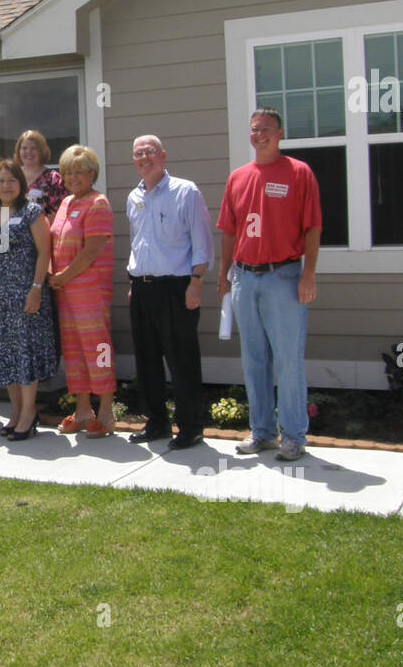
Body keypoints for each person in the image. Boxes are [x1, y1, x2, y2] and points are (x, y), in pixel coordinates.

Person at [216, 109, 321, 462]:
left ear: (280, 134)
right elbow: (229, 230)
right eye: (254, 129)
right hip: (245, 277)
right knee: (254, 358)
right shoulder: (238, 178)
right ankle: (262, 432)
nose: (259, 135)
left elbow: (313, 228)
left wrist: (309, 274)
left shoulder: (299, 173)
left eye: (266, 129)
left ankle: (293, 436)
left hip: (284, 277)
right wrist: (224, 274)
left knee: (288, 360)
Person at [126, 135, 213, 449]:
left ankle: (190, 427)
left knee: (182, 360)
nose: (144, 158)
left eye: (150, 152)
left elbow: (201, 240)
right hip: (142, 288)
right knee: (146, 361)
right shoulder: (133, 197)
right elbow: (138, 243)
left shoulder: (184, 191)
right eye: (138, 154)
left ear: (162, 155)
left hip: (177, 288)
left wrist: (197, 280)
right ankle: (157, 423)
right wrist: (133, 284)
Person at [0, 160, 55, 440]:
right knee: (5, 354)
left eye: (11, 180)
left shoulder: (32, 212)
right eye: (0, 181)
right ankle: (15, 411)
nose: (6, 186)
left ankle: (28, 413)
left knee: (24, 352)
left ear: (21, 183)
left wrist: (36, 288)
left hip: (25, 294)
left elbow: (44, 252)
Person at [48, 145, 116, 437]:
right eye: (68, 172)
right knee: (74, 350)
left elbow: (92, 250)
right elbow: (54, 242)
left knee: (97, 349)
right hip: (65, 291)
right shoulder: (65, 204)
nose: (73, 177)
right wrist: (53, 273)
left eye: (80, 171)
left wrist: (63, 274)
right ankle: (83, 411)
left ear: (92, 173)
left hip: (90, 290)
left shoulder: (98, 203)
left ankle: (106, 413)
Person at [14, 129, 66, 221]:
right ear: (18, 151)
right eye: (24, 148)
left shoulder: (53, 179)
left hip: (42, 233)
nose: (28, 152)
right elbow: (2, 208)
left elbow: (59, 215)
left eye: (33, 148)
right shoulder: (11, 176)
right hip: (12, 233)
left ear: (42, 151)